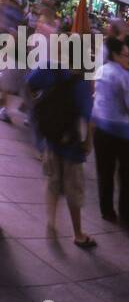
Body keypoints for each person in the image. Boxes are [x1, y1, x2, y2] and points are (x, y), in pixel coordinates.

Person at [28, 57, 95, 248]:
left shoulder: (49, 67)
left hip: (50, 139)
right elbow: (89, 117)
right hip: (71, 145)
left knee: (52, 182)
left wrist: (39, 113)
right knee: (74, 189)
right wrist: (88, 142)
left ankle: (51, 223)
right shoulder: (80, 81)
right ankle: (78, 234)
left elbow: (29, 84)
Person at [90, 36, 129, 229]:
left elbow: (96, 94)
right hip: (121, 133)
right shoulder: (124, 77)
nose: (128, 59)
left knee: (104, 172)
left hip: (101, 130)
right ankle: (127, 216)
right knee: (128, 176)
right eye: (125, 55)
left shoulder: (101, 70)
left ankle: (107, 211)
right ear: (115, 55)